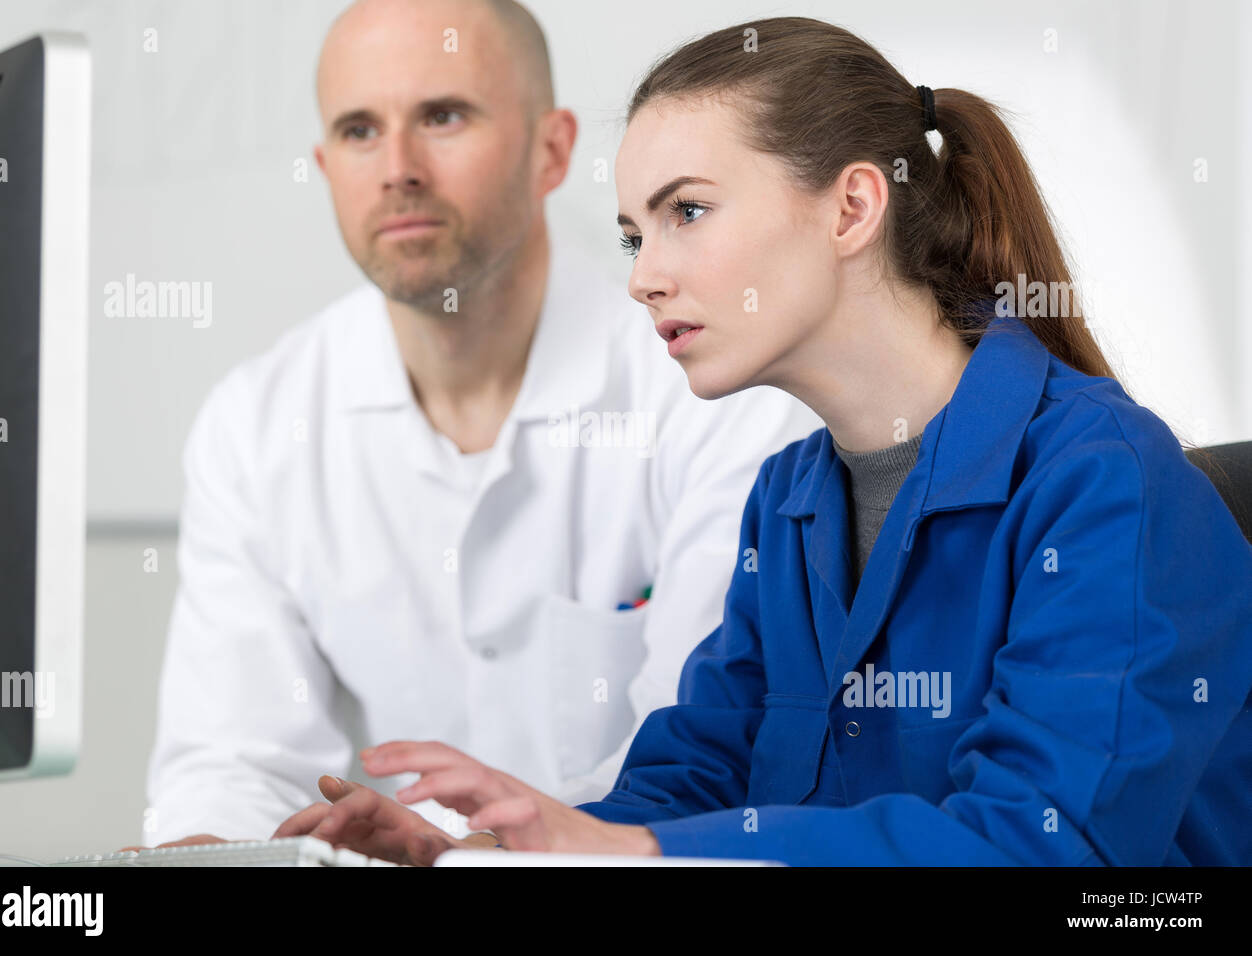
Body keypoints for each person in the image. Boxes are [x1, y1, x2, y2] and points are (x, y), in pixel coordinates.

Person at [274, 16, 1252, 866]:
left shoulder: (1101, 482)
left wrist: (635, 849)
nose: (643, 278)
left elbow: (1042, 846)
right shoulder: (788, 500)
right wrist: (486, 854)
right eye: (631, 236)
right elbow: (692, 782)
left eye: (685, 212)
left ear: (852, 206)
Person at [136, 0, 813, 849]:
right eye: (358, 130)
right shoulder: (259, 424)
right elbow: (230, 763)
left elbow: (699, 763)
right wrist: (209, 858)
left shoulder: (710, 392)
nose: (398, 168)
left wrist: (482, 862)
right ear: (323, 163)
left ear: (552, 149)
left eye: (443, 116)